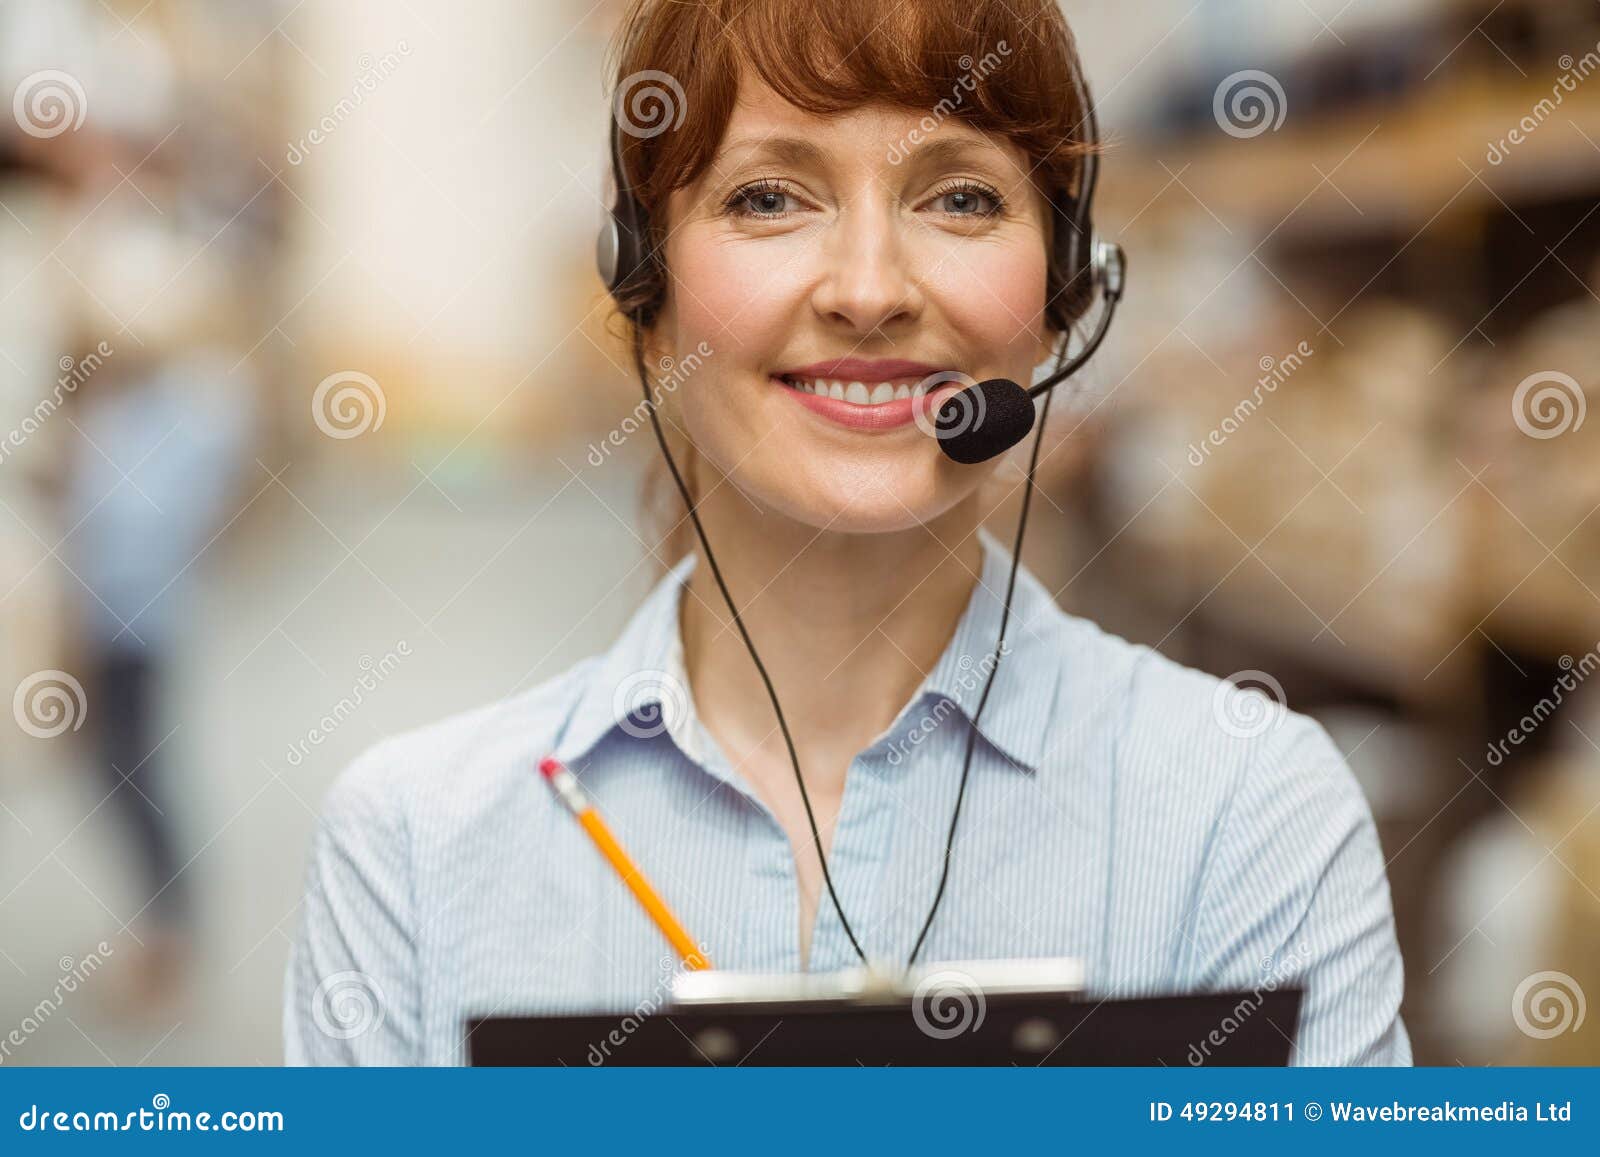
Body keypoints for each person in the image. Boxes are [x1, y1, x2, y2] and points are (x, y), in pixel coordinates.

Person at [284, 0, 1409, 1066]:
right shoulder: (417, 851)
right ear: (643, 281)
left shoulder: (1245, 815)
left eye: (960, 198)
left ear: (1065, 289)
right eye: (770, 197)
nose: (869, 290)